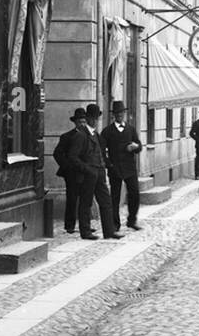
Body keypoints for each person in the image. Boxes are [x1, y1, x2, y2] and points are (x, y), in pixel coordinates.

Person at [79, 104, 122, 240]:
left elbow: (102, 153)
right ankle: (85, 232)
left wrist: (107, 166)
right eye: (93, 118)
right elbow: (73, 157)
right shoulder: (81, 134)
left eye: (97, 118)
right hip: (89, 173)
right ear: (87, 119)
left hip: (99, 173)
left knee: (106, 202)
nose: (95, 121)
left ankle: (109, 231)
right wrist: (86, 169)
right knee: (86, 203)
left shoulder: (97, 135)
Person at [103, 100, 143, 230]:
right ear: (113, 115)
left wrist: (135, 146)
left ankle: (132, 220)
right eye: (117, 113)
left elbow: (139, 145)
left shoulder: (130, 129)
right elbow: (101, 152)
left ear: (124, 113)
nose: (119, 115)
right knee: (114, 197)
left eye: (121, 113)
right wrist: (109, 165)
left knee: (135, 194)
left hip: (129, 168)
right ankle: (115, 224)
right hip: (115, 169)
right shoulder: (107, 131)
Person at [54, 108, 92, 235]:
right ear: (75, 123)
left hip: (86, 172)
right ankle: (69, 225)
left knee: (86, 200)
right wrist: (67, 167)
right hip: (72, 174)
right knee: (72, 199)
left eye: (84, 122)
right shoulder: (67, 137)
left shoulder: (90, 136)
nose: (82, 124)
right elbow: (57, 154)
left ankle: (85, 225)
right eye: (80, 122)